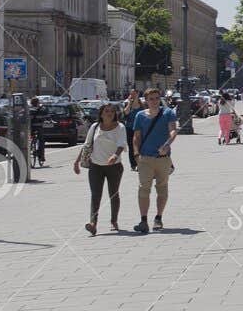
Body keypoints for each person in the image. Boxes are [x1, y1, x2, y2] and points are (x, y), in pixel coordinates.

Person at [73, 102, 127, 234]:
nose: (109, 113)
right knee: (95, 195)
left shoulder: (120, 127)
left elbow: (121, 144)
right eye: (106, 111)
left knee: (113, 194)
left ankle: (114, 221)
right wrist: (77, 161)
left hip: (114, 166)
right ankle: (93, 223)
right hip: (95, 166)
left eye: (112, 111)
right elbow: (87, 145)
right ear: (101, 114)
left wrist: (115, 155)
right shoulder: (95, 126)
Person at [129, 87, 177, 235]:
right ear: (146, 100)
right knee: (144, 188)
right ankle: (143, 220)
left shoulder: (168, 113)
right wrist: (136, 154)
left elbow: (173, 131)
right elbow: (136, 136)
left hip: (163, 158)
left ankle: (158, 217)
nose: (154, 101)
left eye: (156, 98)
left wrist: (167, 144)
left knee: (162, 188)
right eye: (151, 99)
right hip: (145, 158)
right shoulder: (140, 116)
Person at [121, 88, 144, 172]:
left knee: (140, 146)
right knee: (131, 147)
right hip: (130, 128)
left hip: (140, 129)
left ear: (138, 94)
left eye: (134, 94)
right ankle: (133, 164)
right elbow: (125, 113)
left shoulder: (142, 105)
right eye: (131, 94)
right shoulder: (127, 104)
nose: (133, 95)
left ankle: (141, 163)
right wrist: (129, 104)